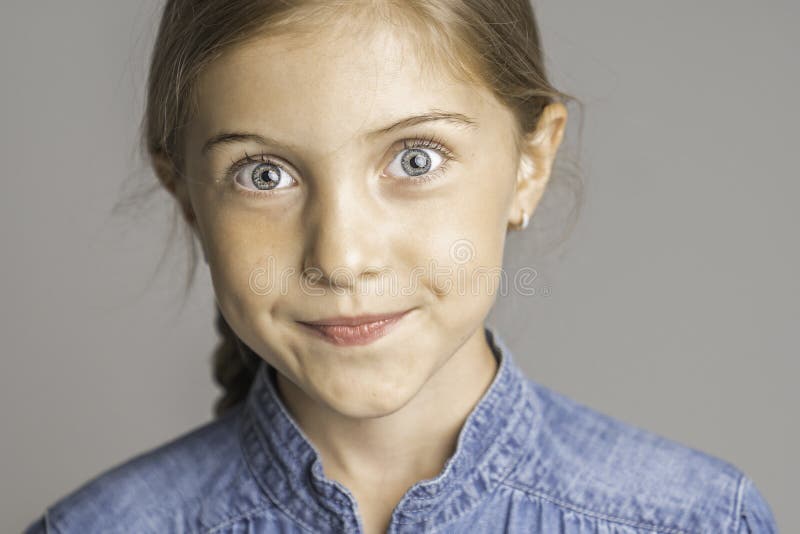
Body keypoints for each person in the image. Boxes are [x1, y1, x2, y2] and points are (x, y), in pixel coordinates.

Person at [24, 1, 779, 533]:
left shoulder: (696, 520)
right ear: (186, 194)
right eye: (264, 174)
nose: (342, 257)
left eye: (415, 159)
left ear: (530, 164)